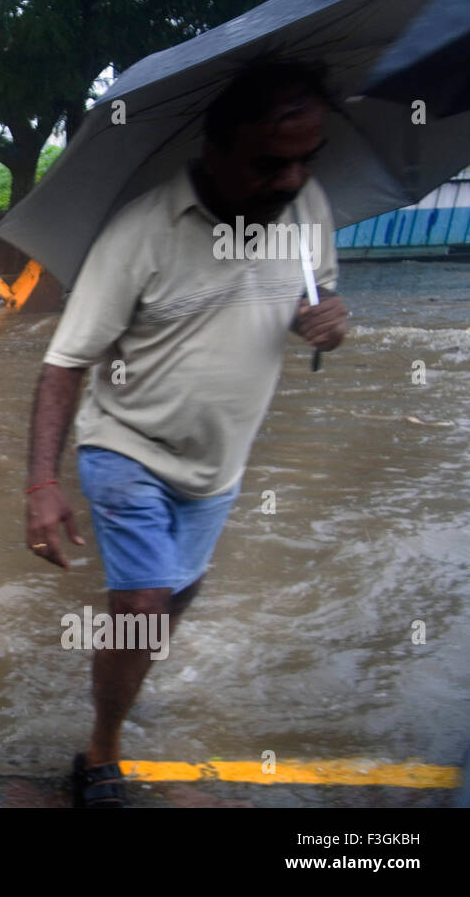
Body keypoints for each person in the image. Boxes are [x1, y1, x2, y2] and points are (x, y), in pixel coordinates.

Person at [24, 61, 349, 807]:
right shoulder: (141, 232)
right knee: (142, 606)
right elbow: (64, 362)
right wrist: (42, 484)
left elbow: (321, 296)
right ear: (215, 146)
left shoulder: (308, 211)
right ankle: (100, 749)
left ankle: (118, 691)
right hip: (126, 444)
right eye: (271, 162)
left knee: (164, 610)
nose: (292, 178)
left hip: (219, 467)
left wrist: (331, 323)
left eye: (308, 159)